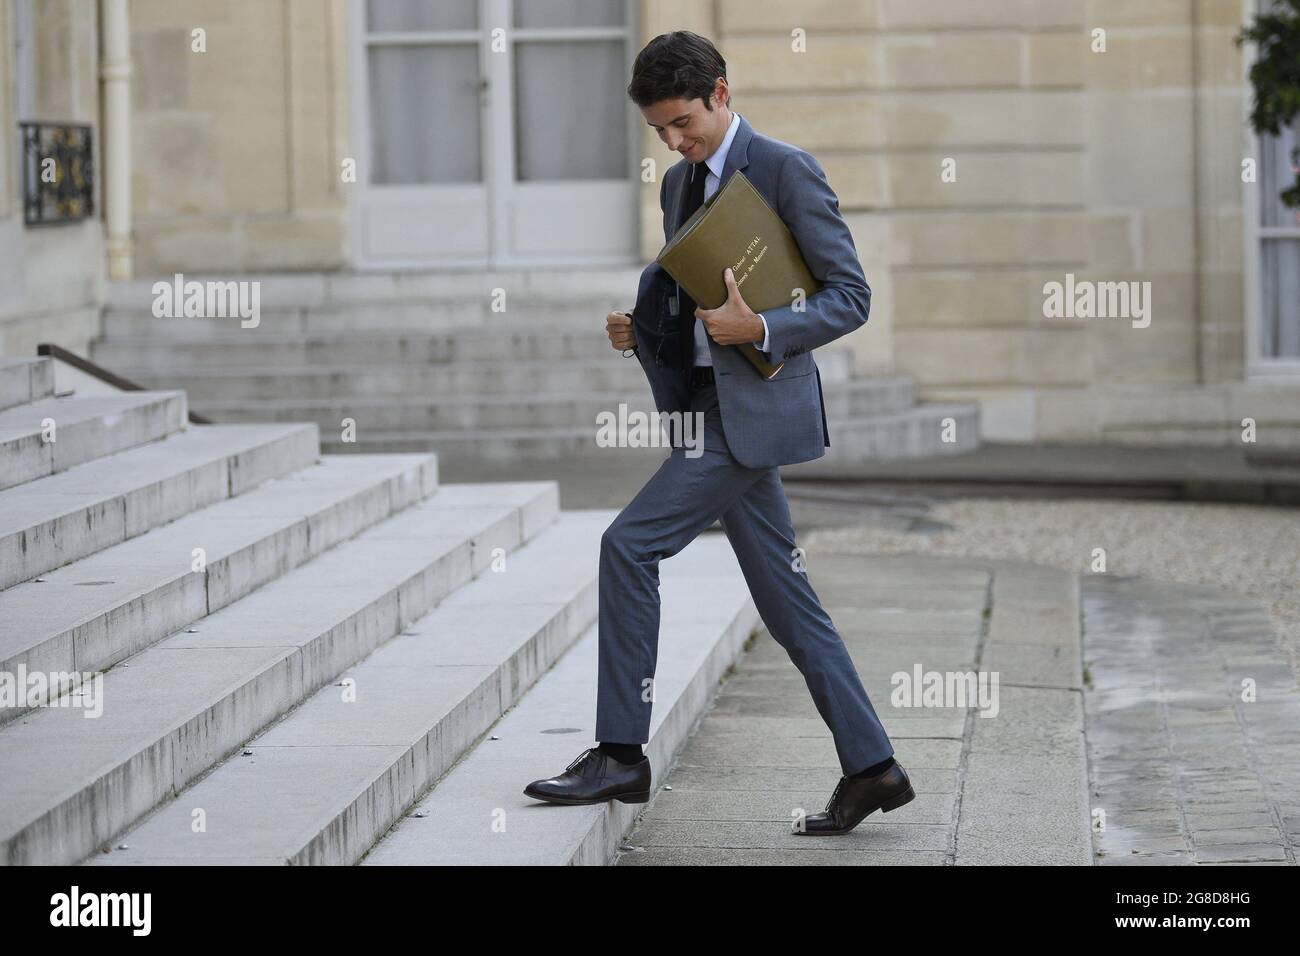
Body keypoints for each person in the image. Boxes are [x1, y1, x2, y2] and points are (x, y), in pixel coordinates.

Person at [523, 31, 913, 835]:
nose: (672, 140)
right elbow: (692, 303)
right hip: (706, 410)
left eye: (682, 123)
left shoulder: (786, 169)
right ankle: (873, 767)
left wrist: (761, 326)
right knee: (789, 603)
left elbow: (851, 297)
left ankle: (621, 753)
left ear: (721, 94)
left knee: (627, 547)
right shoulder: (677, 184)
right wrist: (646, 333)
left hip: (748, 421)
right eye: (659, 129)